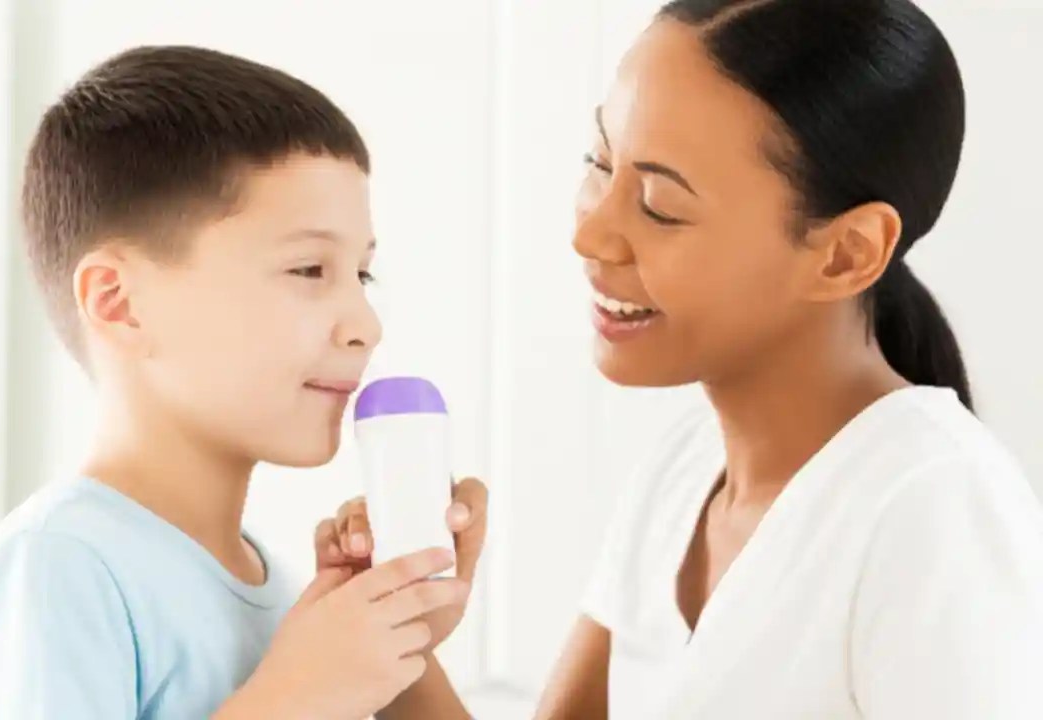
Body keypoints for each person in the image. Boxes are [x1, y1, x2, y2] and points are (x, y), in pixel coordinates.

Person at [321, 0, 1043, 717]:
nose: (593, 235)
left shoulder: (935, 513)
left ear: (845, 253)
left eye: (661, 206)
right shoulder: (686, 471)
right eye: (600, 163)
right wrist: (398, 633)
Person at [0, 45, 476, 720]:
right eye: (309, 270)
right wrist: (299, 698)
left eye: (361, 275)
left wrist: (401, 642)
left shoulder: (283, 597)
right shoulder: (55, 570)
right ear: (120, 303)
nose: (365, 324)